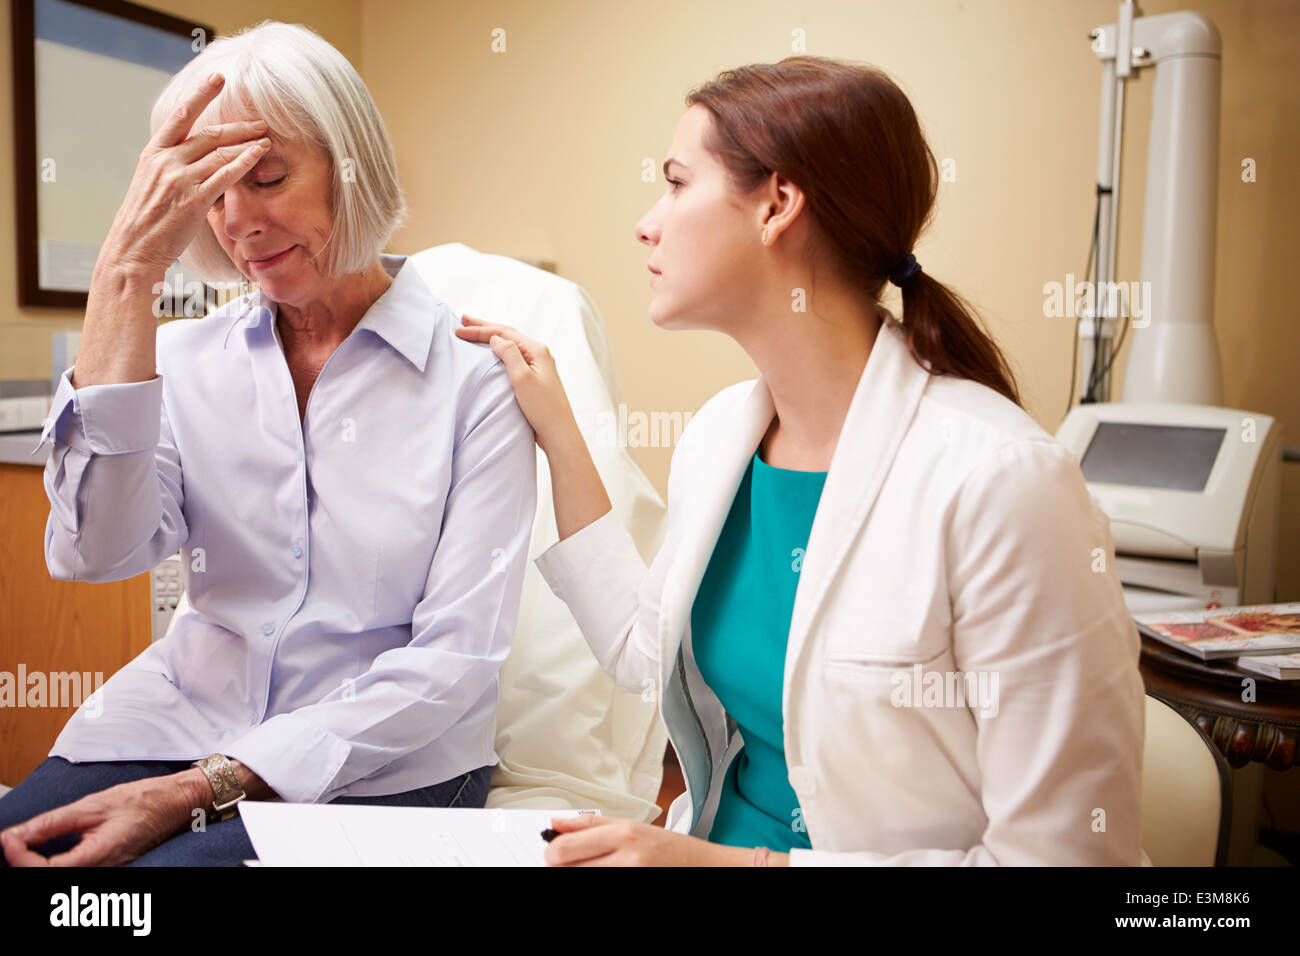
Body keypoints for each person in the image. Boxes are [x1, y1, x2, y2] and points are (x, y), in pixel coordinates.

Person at [456, 56, 1147, 866]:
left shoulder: (1002, 482)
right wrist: (559, 429)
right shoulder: (721, 438)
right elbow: (643, 653)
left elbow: (1067, 859)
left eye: (677, 184)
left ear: (777, 205)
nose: (647, 223)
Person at [0, 21, 537, 867]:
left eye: (268, 177)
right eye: (211, 194)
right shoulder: (181, 360)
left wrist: (194, 791)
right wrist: (124, 278)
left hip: (381, 763)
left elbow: (455, 663)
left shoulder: (478, 379)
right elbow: (94, 553)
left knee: (115, 903)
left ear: (349, 165)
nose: (238, 223)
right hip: (179, 714)